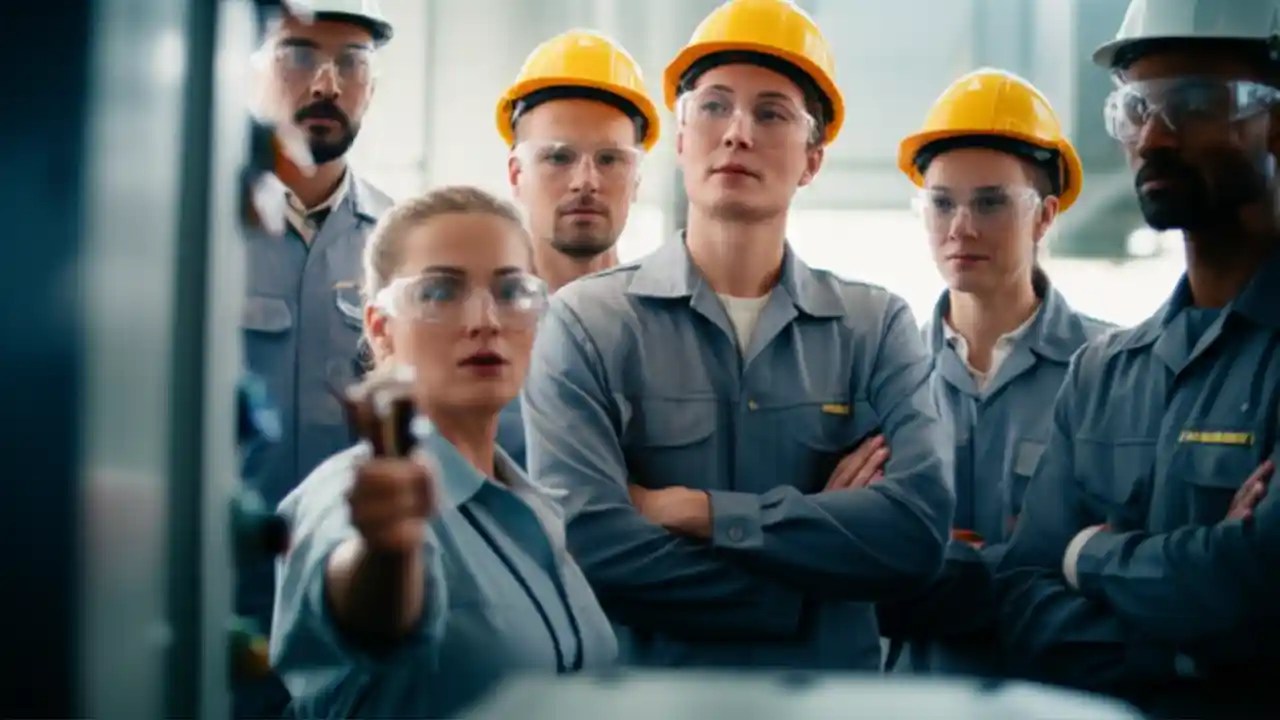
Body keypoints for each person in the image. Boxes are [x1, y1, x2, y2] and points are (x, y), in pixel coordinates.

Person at [521, 0, 953, 671]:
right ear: (683, 138)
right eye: (714, 107)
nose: (737, 133)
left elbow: (916, 535)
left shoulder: (875, 329)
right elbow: (587, 543)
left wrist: (694, 511)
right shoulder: (588, 324)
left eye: (772, 113)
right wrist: (810, 585)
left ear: (813, 159)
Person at [994, 0, 1280, 715]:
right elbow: (1023, 601)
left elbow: (1263, 580)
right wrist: (1188, 651)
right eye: (1134, 108)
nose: (1151, 136)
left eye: (1187, 102)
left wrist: (1087, 557)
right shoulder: (1101, 374)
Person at [270, 186, 617, 718]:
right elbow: (370, 616)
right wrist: (387, 553)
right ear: (381, 329)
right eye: (438, 293)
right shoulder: (352, 495)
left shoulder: (532, 506)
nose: (485, 320)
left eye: (510, 291)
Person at [840, 68, 1112, 675]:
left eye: (990, 203)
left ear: (1044, 217)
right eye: (942, 203)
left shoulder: (1112, 373)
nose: (960, 228)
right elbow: (839, 557)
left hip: (1057, 698)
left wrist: (907, 573)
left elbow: (1121, 570)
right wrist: (1046, 566)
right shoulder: (879, 374)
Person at [237, 3, 396, 714]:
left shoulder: (404, 246)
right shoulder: (199, 225)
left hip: (354, 598)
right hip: (217, 594)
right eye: (299, 54)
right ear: (253, 70)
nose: (326, 83)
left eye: (352, 60)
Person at [493, 28, 661, 468]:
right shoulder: (470, 326)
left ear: (637, 179)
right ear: (516, 175)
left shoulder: (675, 331)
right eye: (558, 157)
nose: (585, 180)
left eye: (610, 160)